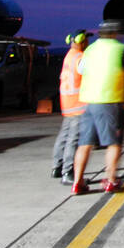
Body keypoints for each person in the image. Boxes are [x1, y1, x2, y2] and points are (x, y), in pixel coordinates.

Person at [71, 23, 124, 194]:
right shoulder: (118, 48)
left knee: (84, 144)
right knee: (113, 143)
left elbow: (81, 69)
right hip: (109, 100)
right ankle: (110, 180)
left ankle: (77, 182)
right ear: (114, 34)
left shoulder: (91, 49)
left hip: (90, 101)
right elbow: (122, 71)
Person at [51, 31, 87, 181]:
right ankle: (68, 172)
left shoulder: (69, 56)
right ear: (81, 41)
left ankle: (56, 167)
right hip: (77, 104)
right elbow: (89, 75)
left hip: (66, 103)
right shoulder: (80, 57)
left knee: (64, 136)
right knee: (74, 138)